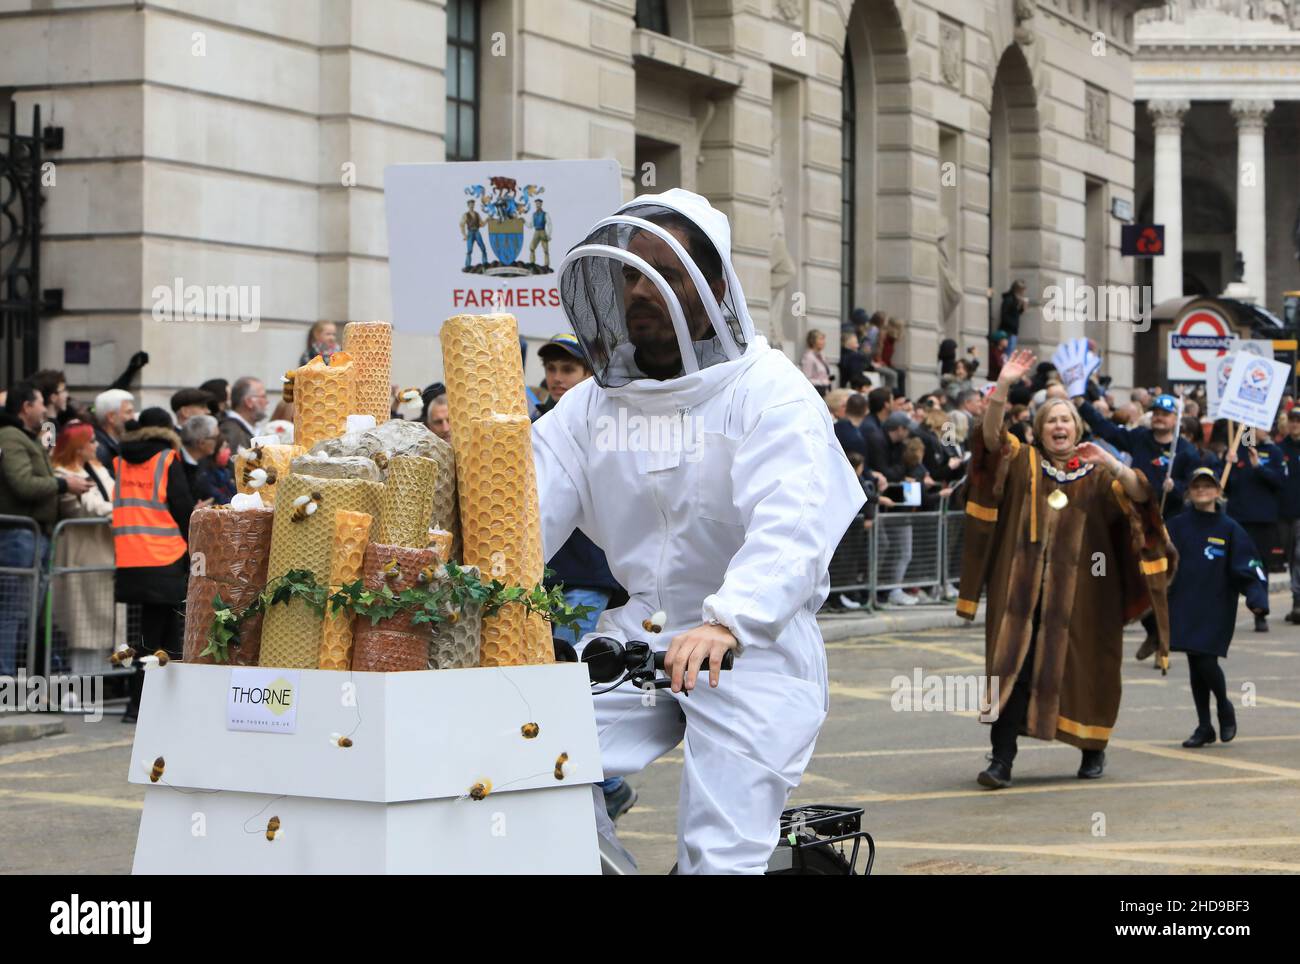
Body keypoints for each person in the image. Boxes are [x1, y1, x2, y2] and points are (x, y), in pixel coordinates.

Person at [534, 188, 863, 873]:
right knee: (527, 750)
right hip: (638, 640)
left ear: (716, 286)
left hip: (751, 651)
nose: (642, 291)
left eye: (668, 274)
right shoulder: (592, 404)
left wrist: (730, 621)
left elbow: (792, 525)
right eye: (630, 274)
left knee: (720, 855)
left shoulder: (769, 392)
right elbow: (524, 505)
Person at [958, 350, 1175, 789]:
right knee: (1012, 671)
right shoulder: (1022, 462)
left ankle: (1093, 748)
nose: (1060, 426)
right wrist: (1002, 386)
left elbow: (1140, 496)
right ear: (1039, 430)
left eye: (1067, 421)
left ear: (1078, 430)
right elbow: (990, 438)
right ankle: (1002, 760)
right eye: (1052, 420)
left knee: (1089, 669)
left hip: (1088, 597)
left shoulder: (1097, 474)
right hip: (1022, 597)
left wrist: (1113, 463)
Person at [534, 332, 634, 819]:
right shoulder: (541, 427)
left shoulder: (605, 425)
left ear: (590, 375)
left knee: (564, 687)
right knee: (549, 686)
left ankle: (608, 782)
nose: (557, 378)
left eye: (568, 370)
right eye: (552, 370)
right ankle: (594, 785)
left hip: (587, 579)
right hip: (545, 583)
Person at [1077, 391, 1192, 657]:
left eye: (1166, 415)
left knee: (1166, 580)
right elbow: (1106, 428)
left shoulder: (1184, 450)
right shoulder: (1139, 438)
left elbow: (1195, 483)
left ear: (1175, 419)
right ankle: (1153, 630)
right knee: (1139, 576)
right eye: (1157, 414)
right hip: (1140, 518)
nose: (1160, 419)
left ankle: (1165, 639)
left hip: (1171, 521)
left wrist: (1176, 488)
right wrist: (1082, 404)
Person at [1166, 468, 1268, 748]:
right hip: (1184, 602)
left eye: (1207, 486)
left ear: (1218, 491)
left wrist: (1257, 598)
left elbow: (1250, 566)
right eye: (1196, 486)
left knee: (1205, 660)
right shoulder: (1175, 525)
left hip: (1216, 604)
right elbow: (1156, 556)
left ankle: (1224, 706)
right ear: (1188, 492)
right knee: (1195, 662)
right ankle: (1204, 725)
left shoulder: (1230, 528)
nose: (1202, 490)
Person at [1, 383, 95, 675]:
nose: (45, 409)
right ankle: (5, 678)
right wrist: (64, 484)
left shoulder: (26, 437)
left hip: (34, 535)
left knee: (28, 613)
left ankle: (16, 676)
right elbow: (23, 484)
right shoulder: (12, 437)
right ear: (26, 407)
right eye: (41, 402)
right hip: (20, 536)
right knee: (14, 611)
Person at [113, 407, 196, 723]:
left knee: (160, 631)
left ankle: (157, 702)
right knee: (157, 636)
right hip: (164, 554)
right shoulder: (165, 459)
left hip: (131, 556)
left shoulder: (120, 461)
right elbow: (182, 505)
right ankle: (141, 704)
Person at [51, 420, 117, 670]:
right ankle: (85, 683)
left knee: (103, 617)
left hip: (104, 550)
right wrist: (125, 510)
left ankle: (106, 678)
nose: (97, 445)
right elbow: (90, 507)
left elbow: (114, 495)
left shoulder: (98, 469)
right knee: (85, 621)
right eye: (91, 441)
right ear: (78, 446)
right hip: (82, 552)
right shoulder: (62, 474)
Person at [1222, 426, 1284, 632]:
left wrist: (1259, 466)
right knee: (1229, 567)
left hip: (1263, 520)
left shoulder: (1273, 452)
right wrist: (1226, 465)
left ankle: (1260, 611)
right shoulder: (1236, 450)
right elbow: (1225, 487)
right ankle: (1224, 613)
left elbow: (1279, 482)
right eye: (1258, 426)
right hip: (1238, 519)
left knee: (1260, 566)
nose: (1262, 430)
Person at [179, 414, 231, 505]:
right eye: (215, 438)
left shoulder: (201, 463)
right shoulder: (176, 465)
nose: (217, 441)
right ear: (201, 442)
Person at [1279, 409, 1300, 623]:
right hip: (1283, 512)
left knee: (1299, 557)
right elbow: (1248, 450)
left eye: (1299, 421)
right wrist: (1246, 426)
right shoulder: (1279, 448)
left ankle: (1297, 602)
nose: (1295, 424)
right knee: (1290, 557)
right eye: (1292, 420)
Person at [219, 377, 268, 454]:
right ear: (249, 402)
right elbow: (236, 464)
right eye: (263, 397)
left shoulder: (244, 428)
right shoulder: (231, 430)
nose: (267, 402)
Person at [93, 389, 136, 472]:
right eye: (128, 412)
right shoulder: (100, 451)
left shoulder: (116, 444)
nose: (133, 417)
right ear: (111, 417)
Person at [800, 329, 833, 396]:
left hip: (824, 391)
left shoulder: (821, 355)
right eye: (820, 339)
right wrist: (823, 382)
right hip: (816, 392)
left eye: (823, 339)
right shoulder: (809, 357)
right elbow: (806, 379)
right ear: (813, 341)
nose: (823, 342)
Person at [999, 280, 1026, 352]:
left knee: (1010, 353)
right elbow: (1004, 315)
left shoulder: (1015, 300)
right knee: (1008, 354)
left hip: (1012, 331)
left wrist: (1022, 308)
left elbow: (1015, 313)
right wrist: (1013, 325)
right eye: (1022, 291)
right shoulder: (1009, 299)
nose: (1023, 293)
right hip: (1008, 332)